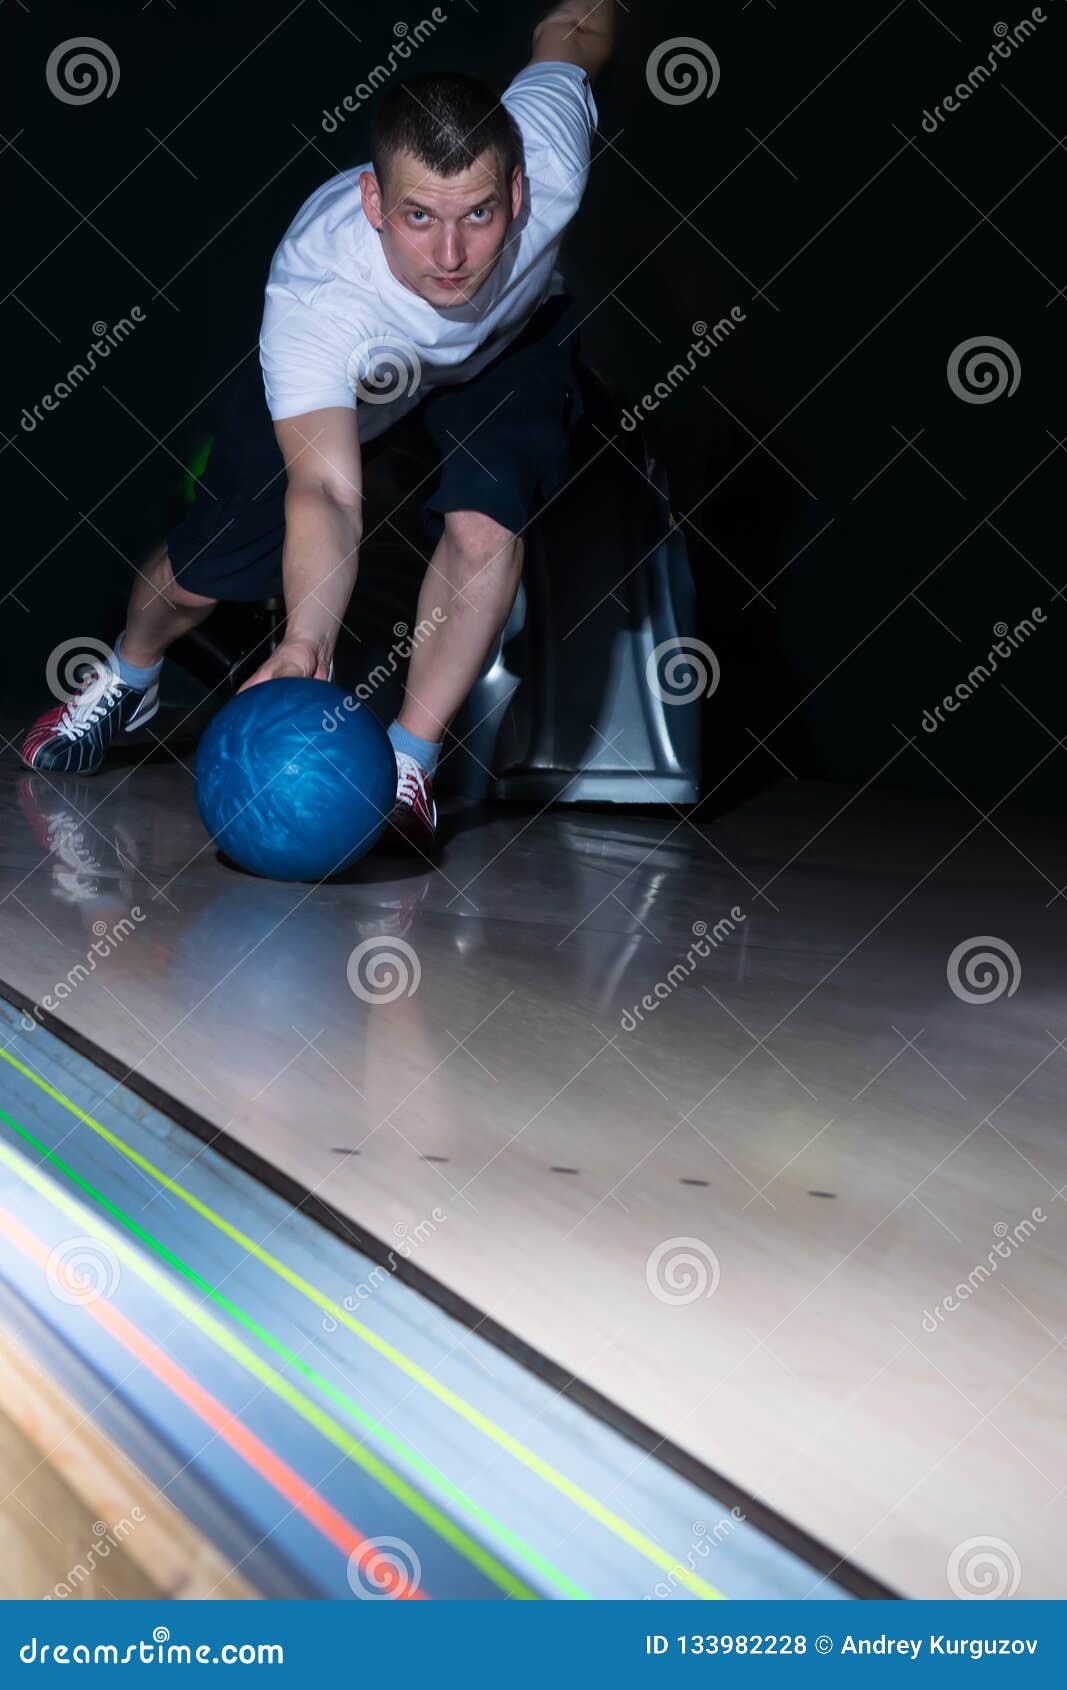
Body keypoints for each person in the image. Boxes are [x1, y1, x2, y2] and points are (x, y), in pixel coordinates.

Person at [20, 1, 615, 855]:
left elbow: (572, 30)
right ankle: (131, 672)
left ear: (518, 192)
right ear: (373, 200)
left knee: (486, 525)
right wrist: (307, 644)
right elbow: (330, 489)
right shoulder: (317, 288)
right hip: (357, 373)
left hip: (508, 347)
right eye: (419, 217)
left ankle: (407, 764)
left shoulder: (550, 152)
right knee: (201, 573)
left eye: (479, 215)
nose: (450, 256)